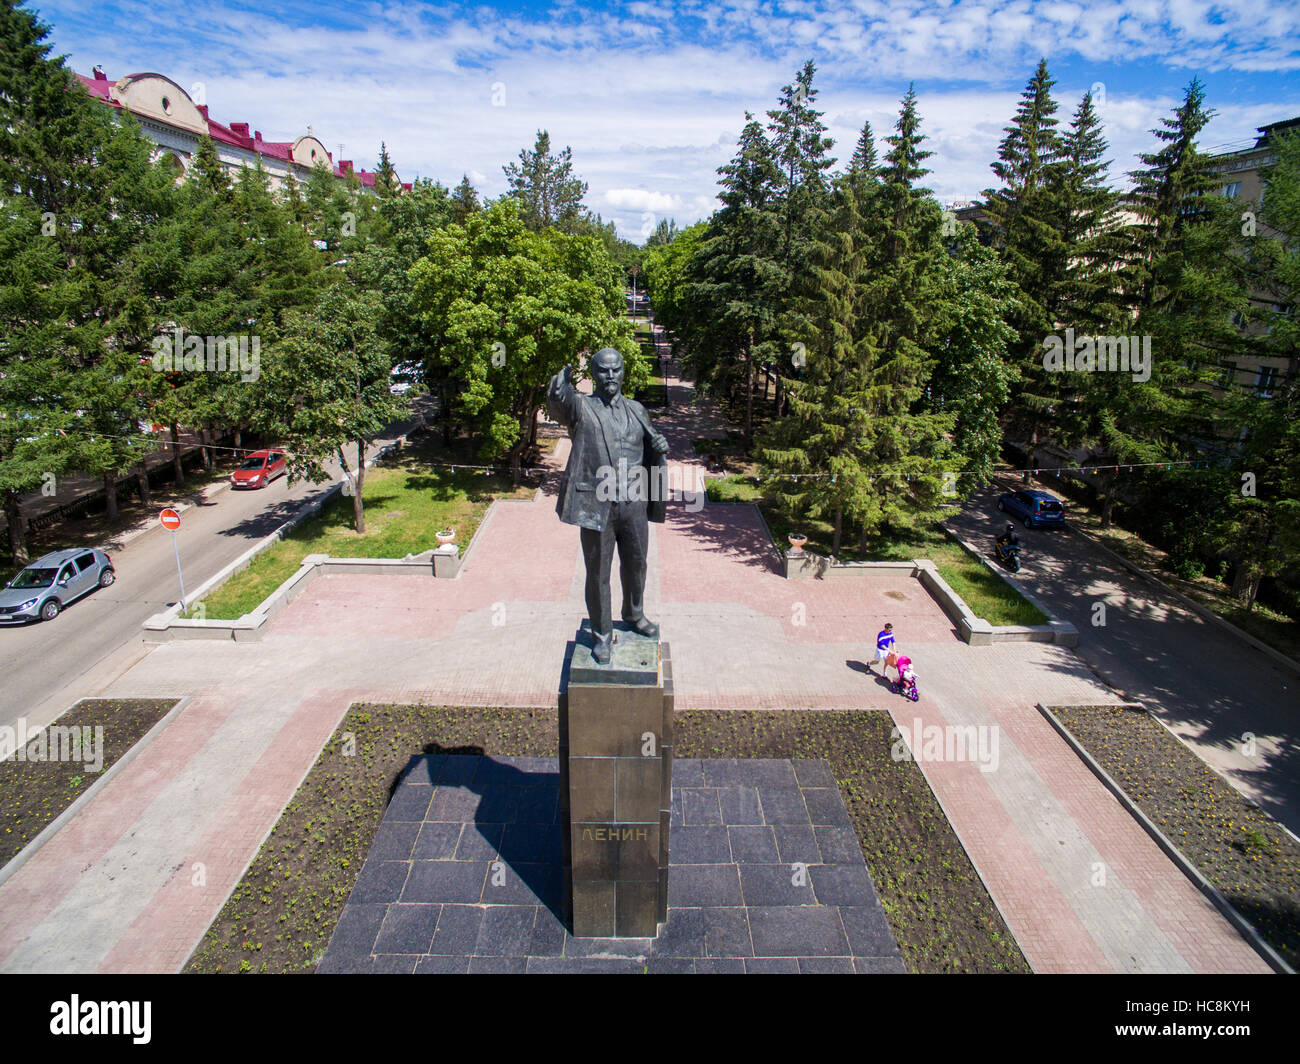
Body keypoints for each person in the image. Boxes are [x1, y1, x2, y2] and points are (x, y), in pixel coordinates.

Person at [548, 349, 670, 665]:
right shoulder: (582, 408)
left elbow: (649, 446)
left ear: (623, 372)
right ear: (594, 373)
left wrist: (659, 445)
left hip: (633, 505)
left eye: (616, 370)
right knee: (598, 573)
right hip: (597, 507)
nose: (611, 376)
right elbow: (559, 400)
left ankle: (634, 614)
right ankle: (601, 636)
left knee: (637, 565)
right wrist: (564, 373)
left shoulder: (637, 410)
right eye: (603, 371)